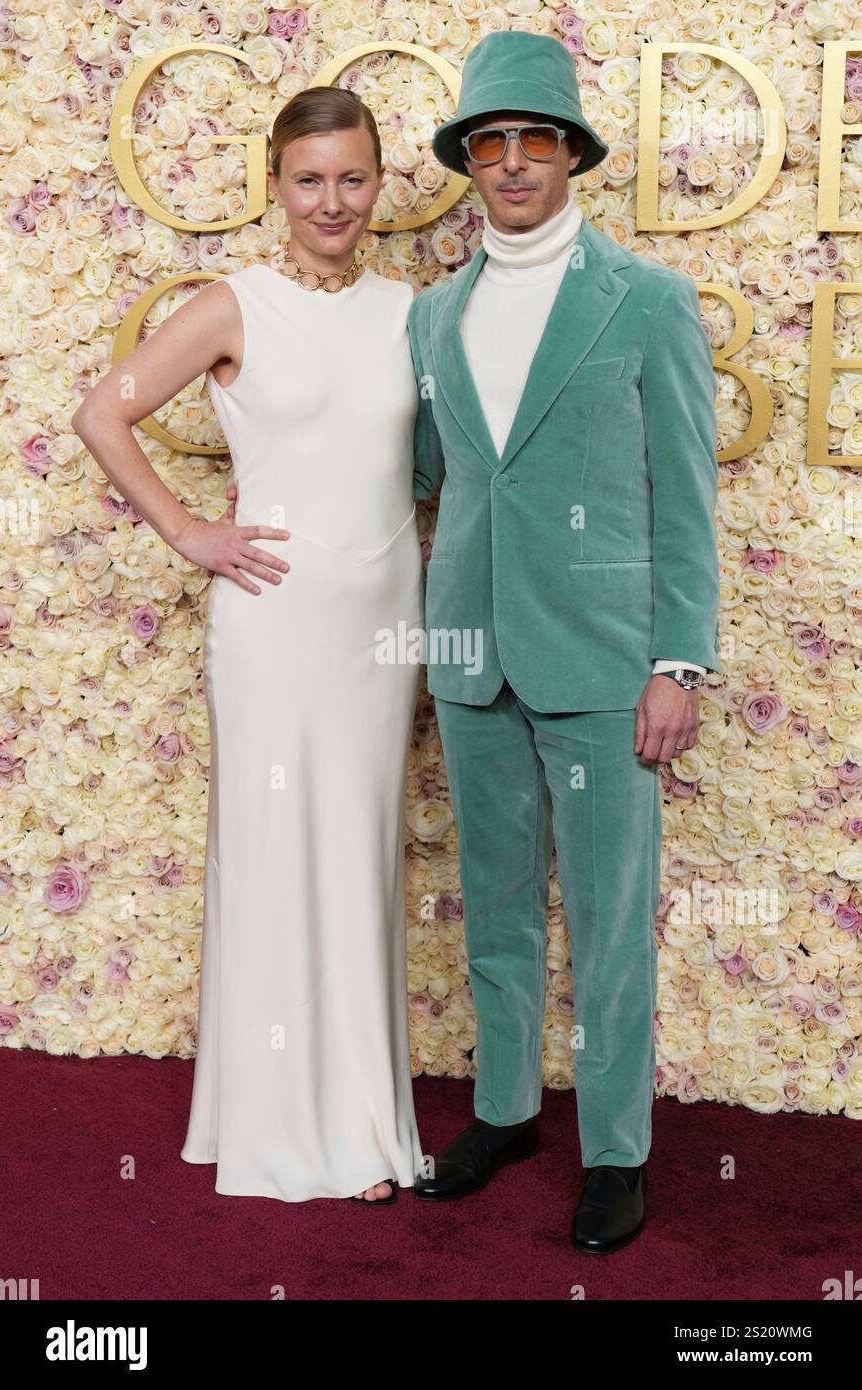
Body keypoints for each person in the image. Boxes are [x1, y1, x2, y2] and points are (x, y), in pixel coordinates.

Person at [71, 87, 427, 1204]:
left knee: (358, 861)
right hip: (272, 629)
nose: (333, 201)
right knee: (277, 859)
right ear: (275, 186)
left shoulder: (410, 309)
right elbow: (101, 412)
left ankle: (362, 1119)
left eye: (353, 177)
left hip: (383, 628)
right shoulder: (232, 306)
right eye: (309, 179)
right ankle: (281, 1132)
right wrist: (189, 531)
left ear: (378, 182)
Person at [406, 30, 721, 1251]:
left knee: (604, 914)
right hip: (471, 652)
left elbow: (685, 494)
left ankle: (613, 1150)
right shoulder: (436, 314)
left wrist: (673, 659)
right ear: (471, 162)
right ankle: (500, 1110)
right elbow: (432, 471)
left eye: (538, 139)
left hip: (600, 659)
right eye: (493, 142)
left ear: (572, 153)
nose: (515, 162)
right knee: (491, 903)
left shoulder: (644, 301)